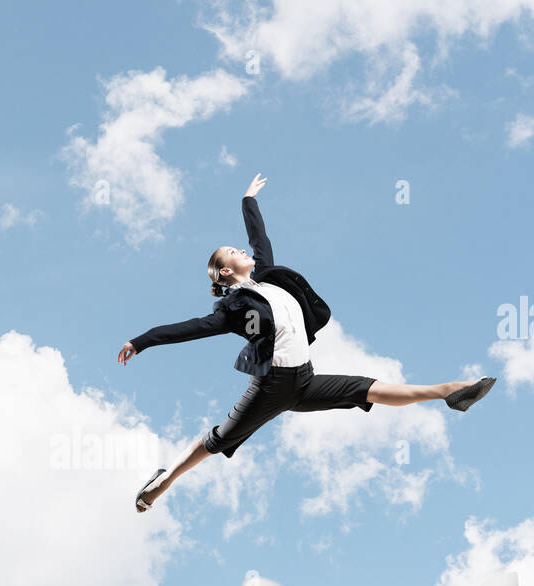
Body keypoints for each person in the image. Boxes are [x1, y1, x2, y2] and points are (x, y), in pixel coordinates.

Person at [119, 173, 495, 513]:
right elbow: (188, 328)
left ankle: (453, 391)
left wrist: (247, 201)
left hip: (304, 380)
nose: (243, 251)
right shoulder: (232, 308)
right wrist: (141, 342)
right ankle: (161, 484)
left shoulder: (268, 277)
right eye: (234, 252)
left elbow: (259, 239)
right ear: (225, 272)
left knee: (370, 390)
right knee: (216, 441)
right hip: (270, 387)